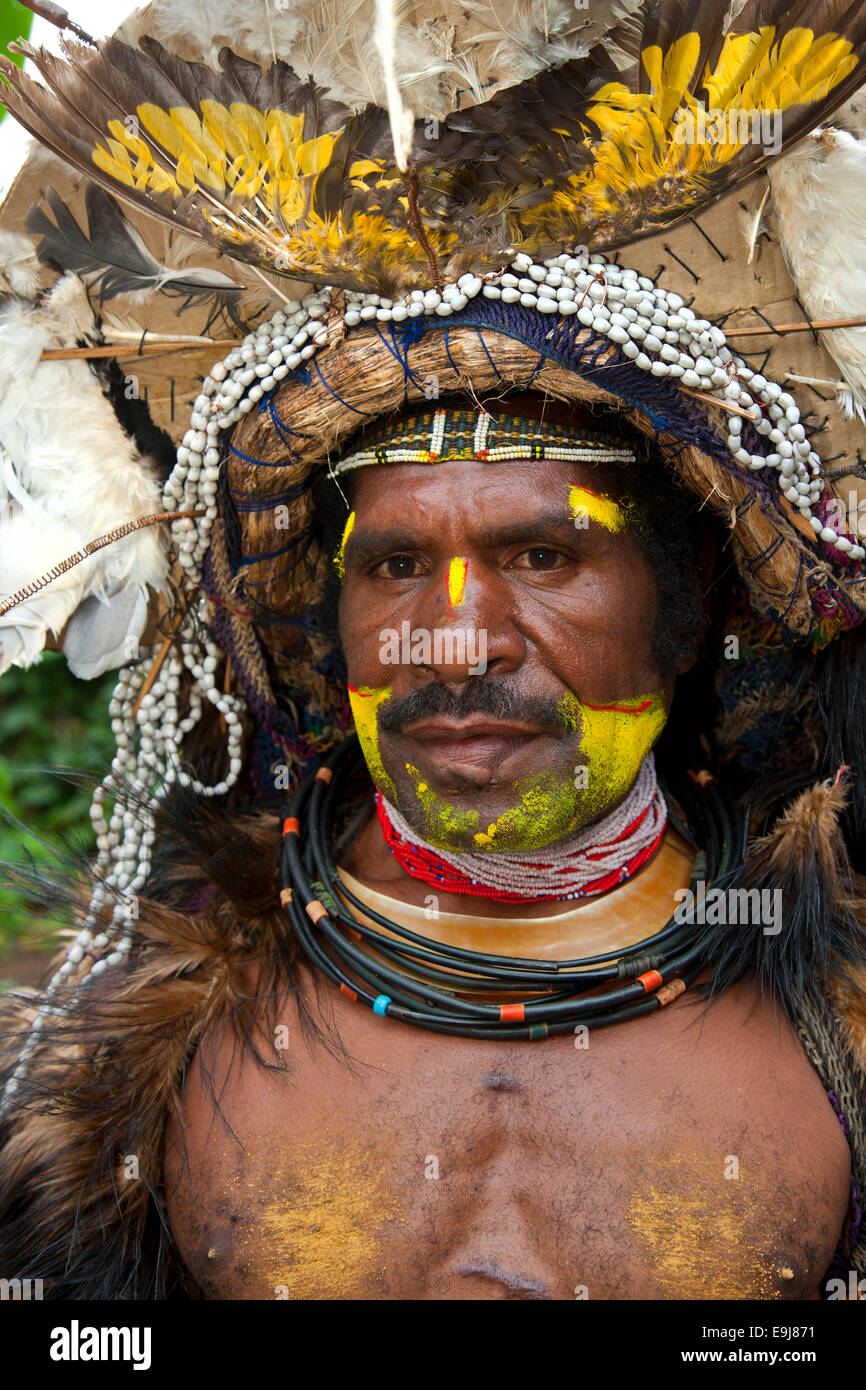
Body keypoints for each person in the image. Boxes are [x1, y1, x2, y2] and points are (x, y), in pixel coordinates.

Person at [0, 0, 865, 1301]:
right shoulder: (155, 1050)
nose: (451, 640)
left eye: (541, 557)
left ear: (688, 603)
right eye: (396, 563)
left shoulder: (830, 1026)